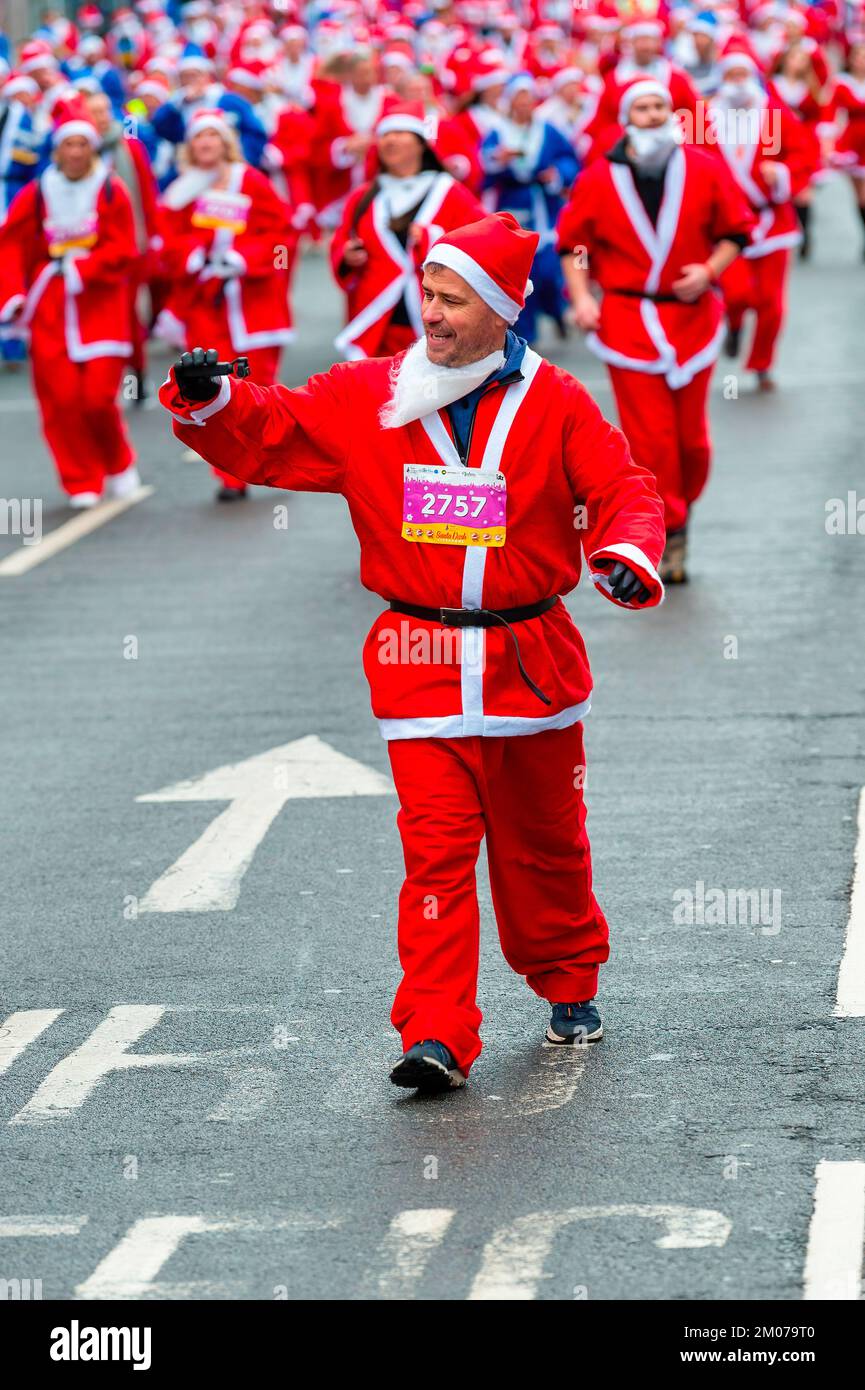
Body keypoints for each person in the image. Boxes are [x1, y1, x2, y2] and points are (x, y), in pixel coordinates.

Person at [159, 211, 666, 1095]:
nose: (430, 313)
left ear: (502, 309)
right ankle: (436, 1031)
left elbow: (621, 488)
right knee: (433, 858)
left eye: (452, 299)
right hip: (418, 661)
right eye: (425, 292)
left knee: (544, 847)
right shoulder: (371, 393)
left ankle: (568, 980)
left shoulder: (557, 400)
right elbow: (281, 428)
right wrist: (216, 398)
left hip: (529, 664)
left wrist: (622, 557)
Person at [558, 80, 754, 583]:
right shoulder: (599, 178)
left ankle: (681, 507)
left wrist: (710, 271)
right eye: (640, 107)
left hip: (692, 319)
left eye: (658, 106)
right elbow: (574, 244)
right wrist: (582, 297)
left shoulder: (705, 169)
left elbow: (736, 230)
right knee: (651, 439)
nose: (650, 114)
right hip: (627, 321)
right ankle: (668, 531)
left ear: (672, 113)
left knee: (692, 442)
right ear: (626, 118)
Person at [0, 109, 140, 507]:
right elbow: (9, 244)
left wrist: (85, 267)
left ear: (93, 149)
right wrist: (12, 294)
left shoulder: (111, 191)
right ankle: (80, 479)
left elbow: (124, 249)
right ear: (56, 151)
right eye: (68, 144)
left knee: (97, 397)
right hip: (51, 308)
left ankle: (118, 462)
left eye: (82, 144)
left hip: (100, 305)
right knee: (60, 400)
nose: (76, 152)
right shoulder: (37, 193)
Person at [157, 107, 294, 501]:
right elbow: (167, 248)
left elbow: (282, 235)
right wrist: (195, 255)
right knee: (215, 388)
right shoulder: (179, 192)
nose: (205, 143)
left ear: (225, 142)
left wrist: (244, 259)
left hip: (254, 303)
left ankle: (276, 457)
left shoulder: (250, 181)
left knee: (259, 386)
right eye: (199, 137)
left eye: (213, 136)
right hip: (205, 303)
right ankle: (231, 475)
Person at [330, 101, 486, 359]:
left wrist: (431, 238)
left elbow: (481, 242)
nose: (390, 141)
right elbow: (340, 242)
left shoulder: (451, 192)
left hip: (435, 318)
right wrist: (346, 257)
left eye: (400, 133)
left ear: (421, 143)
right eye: (385, 135)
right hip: (377, 321)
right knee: (377, 394)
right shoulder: (363, 197)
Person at [709, 54, 813, 392]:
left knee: (772, 303)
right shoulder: (703, 117)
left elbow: (803, 154)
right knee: (737, 292)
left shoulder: (776, 115)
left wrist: (781, 172)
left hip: (772, 219)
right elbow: (690, 162)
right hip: (727, 224)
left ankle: (761, 364)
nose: (738, 80)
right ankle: (735, 322)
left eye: (744, 73)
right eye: (732, 74)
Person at [481, 74, 579, 343]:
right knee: (521, 272)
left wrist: (557, 173)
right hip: (513, 203)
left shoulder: (548, 129)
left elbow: (570, 159)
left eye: (529, 99)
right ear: (511, 102)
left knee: (547, 269)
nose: (524, 104)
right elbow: (484, 164)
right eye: (519, 99)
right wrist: (498, 160)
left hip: (545, 206)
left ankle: (555, 308)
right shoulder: (498, 131)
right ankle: (527, 335)